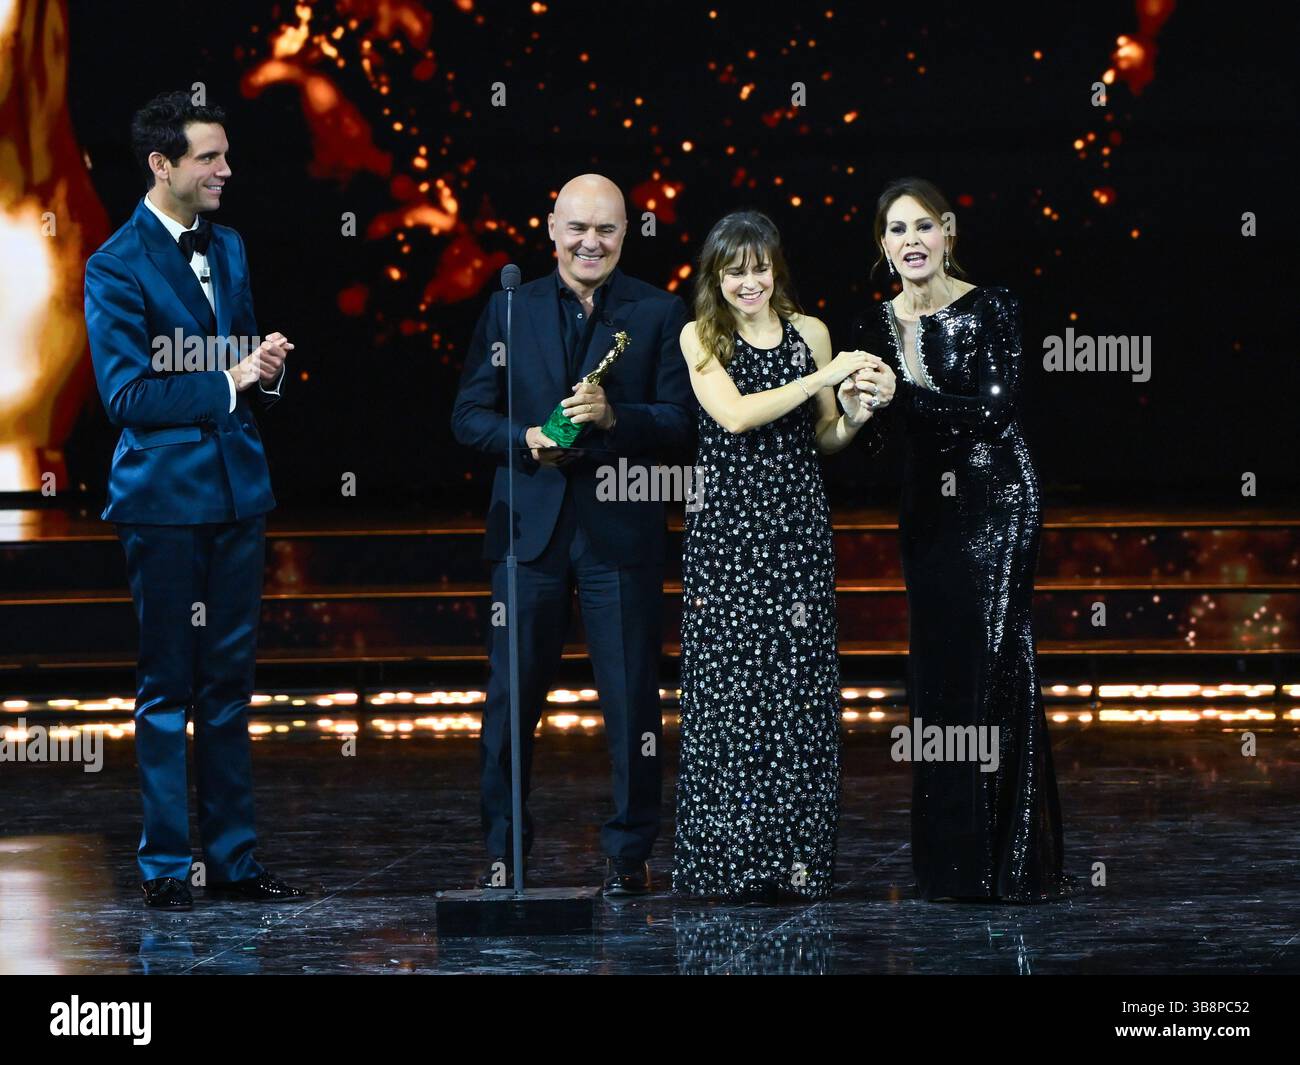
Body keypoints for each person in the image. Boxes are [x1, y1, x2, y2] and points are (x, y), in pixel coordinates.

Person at [84, 90, 301, 910]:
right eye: (209, 157)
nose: (225, 170)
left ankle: (237, 863)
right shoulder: (114, 264)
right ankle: (168, 869)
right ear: (162, 165)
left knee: (229, 689)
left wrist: (264, 373)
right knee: (169, 687)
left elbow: (240, 373)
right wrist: (227, 378)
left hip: (239, 493)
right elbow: (128, 397)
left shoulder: (233, 246)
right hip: (164, 504)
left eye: (225, 155)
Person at [451, 174, 695, 895]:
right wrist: (525, 437)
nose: (592, 242)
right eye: (578, 228)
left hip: (621, 533)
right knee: (510, 702)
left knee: (631, 704)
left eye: (608, 230)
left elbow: (684, 424)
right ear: (552, 228)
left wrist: (618, 417)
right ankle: (507, 851)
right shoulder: (509, 307)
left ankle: (628, 854)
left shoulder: (659, 311)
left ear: (626, 233)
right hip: (529, 533)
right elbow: (467, 415)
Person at [845, 177, 1065, 901]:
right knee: (937, 672)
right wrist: (857, 410)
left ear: (947, 232)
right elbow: (882, 442)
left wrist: (900, 396)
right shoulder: (875, 324)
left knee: (995, 659)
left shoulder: (991, 305)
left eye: (921, 227)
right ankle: (950, 864)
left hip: (997, 498)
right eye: (894, 230)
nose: (909, 241)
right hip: (927, 511)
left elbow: (995, 411)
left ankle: (1009, 862)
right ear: (883, 245)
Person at [673, 210, 895, 901]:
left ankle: (796, 862)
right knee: (731, 694)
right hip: (729, 539)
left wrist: (855, 409)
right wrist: (819, 377)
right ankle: (727, 862)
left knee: (796, 693)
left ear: (776, 268)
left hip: (797, 531)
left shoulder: (811, 332)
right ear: (716, 275)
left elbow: (824, 436)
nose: (749, 281)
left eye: (759, 267)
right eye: (735, 269)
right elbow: (734, 415)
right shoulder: (701, 335)